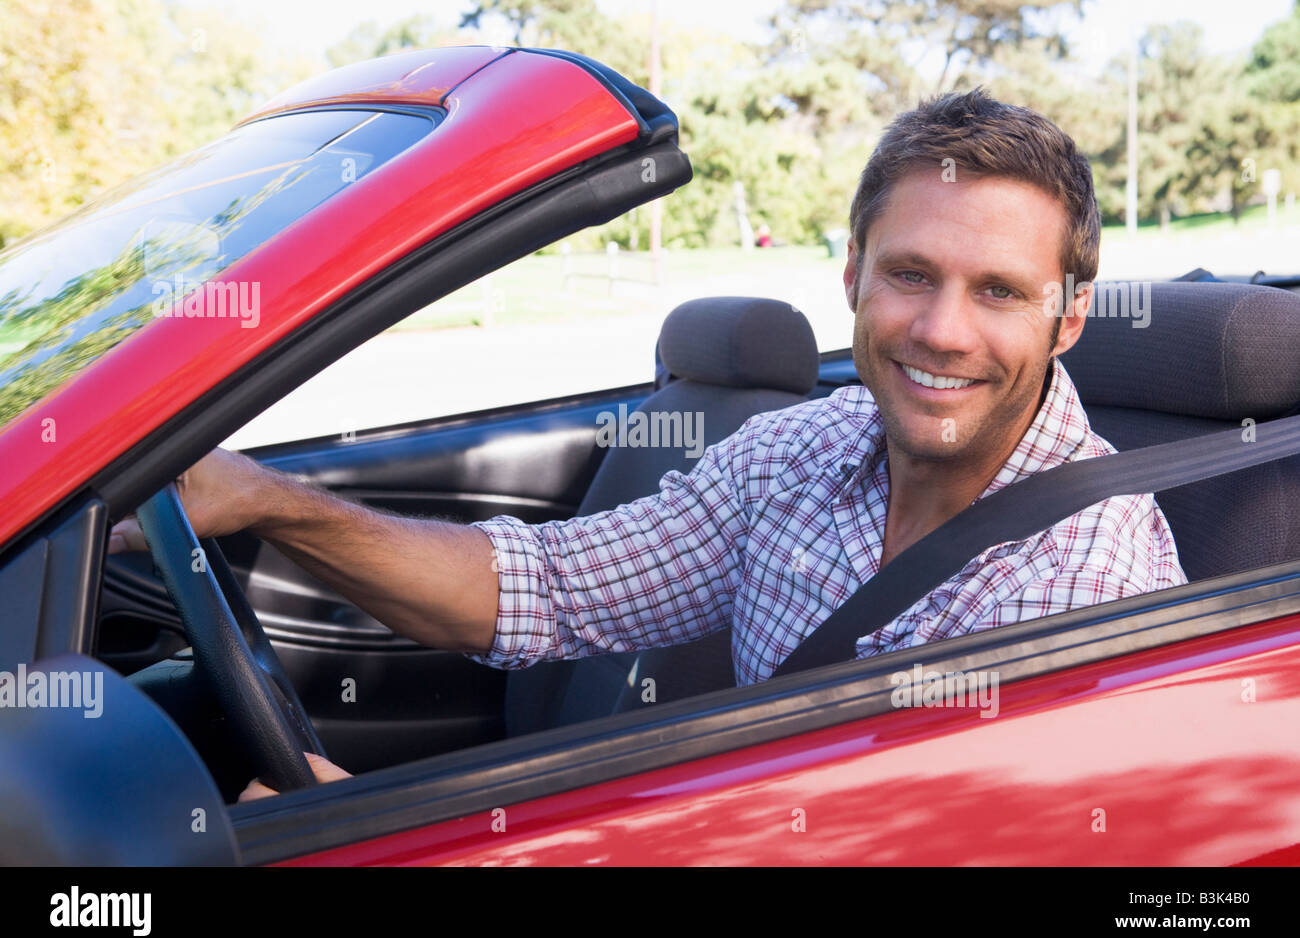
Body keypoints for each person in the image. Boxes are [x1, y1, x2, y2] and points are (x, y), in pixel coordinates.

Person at [109, 88, 1187, 798]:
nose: (942, 329)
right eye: (911, 273)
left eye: (998, 291)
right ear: (851, 270)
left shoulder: (1085, 569)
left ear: (1069, 315)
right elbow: (547, 586)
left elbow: (884, 837)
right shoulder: (797, 454)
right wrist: (268, 501)